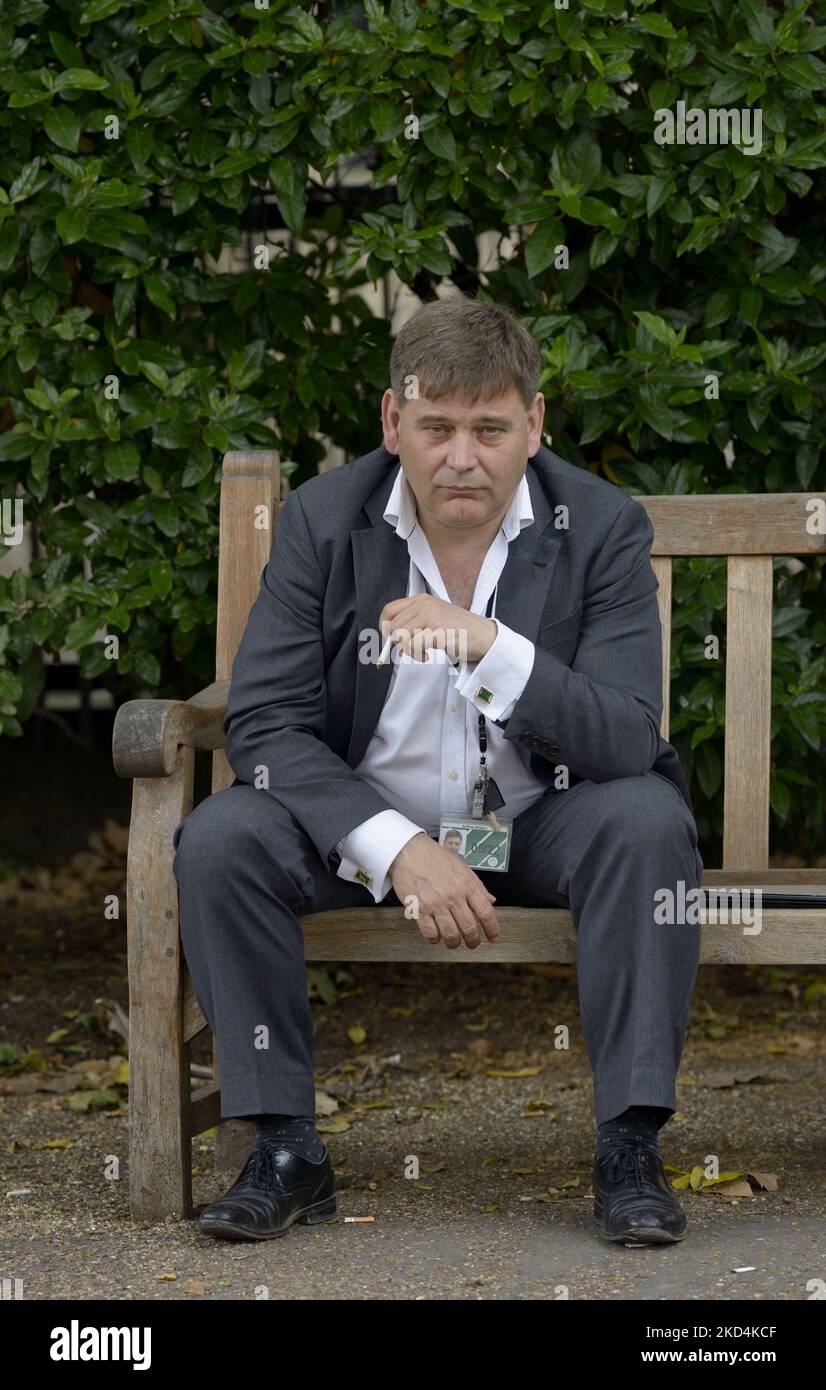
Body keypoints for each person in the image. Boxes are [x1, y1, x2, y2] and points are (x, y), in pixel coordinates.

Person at [172, 294, 703, 1246]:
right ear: (392, 422)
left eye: (492, 429)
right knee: (222, 836)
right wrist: (397, 847)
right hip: (364, 836)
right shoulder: (323, 522)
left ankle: (630, 1146)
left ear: (534, 425)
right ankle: (287, 1150)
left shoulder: (604, 525)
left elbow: (627, 738)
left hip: (545, 826)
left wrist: (490, 645)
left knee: (647, 819)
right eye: (437, 428)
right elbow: (265, 724)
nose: (463, 458)